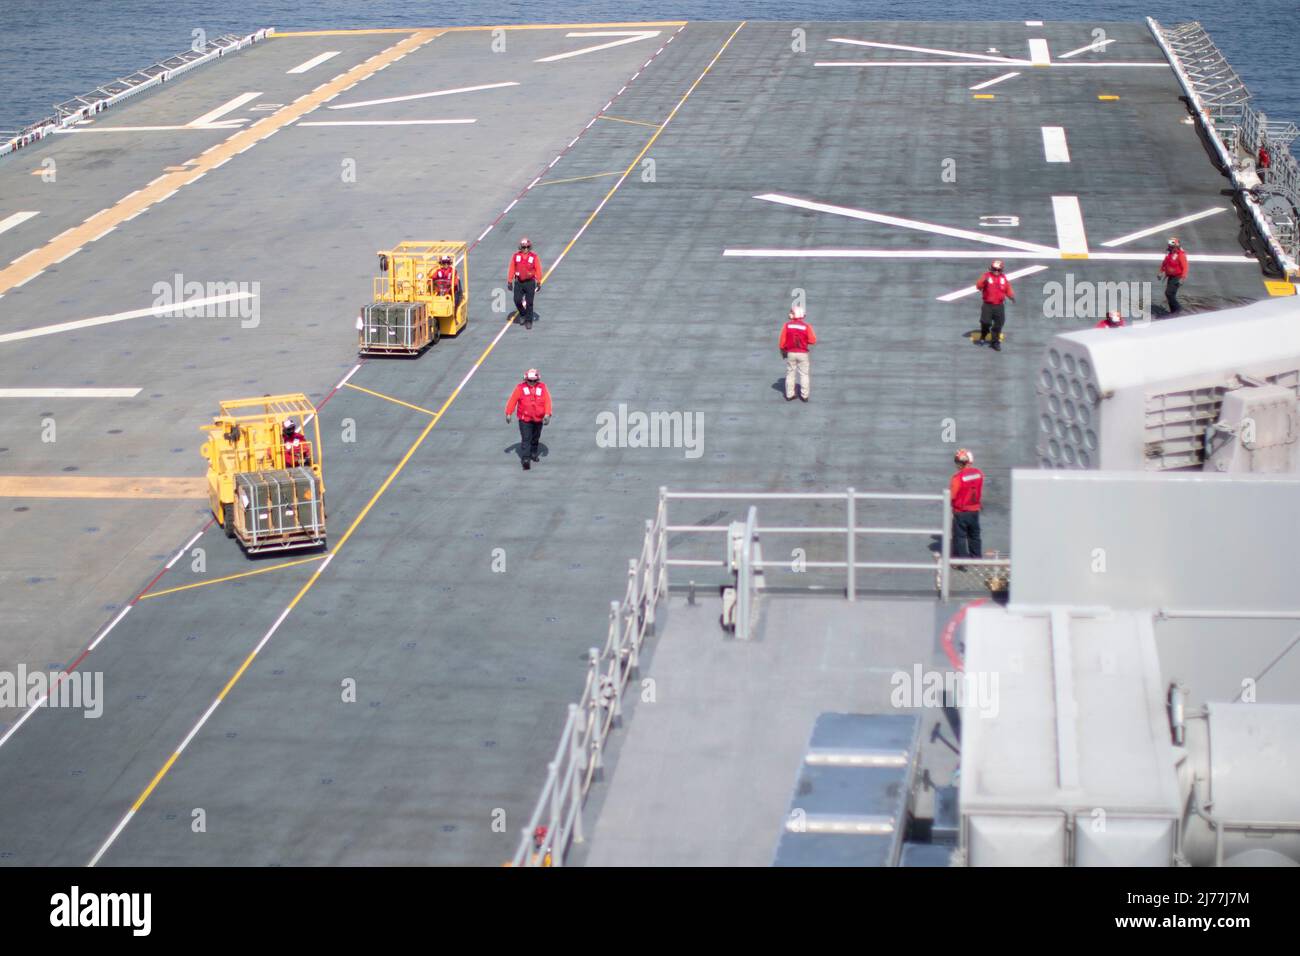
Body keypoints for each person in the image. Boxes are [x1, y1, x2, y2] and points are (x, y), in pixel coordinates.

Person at [505, 368, 552, 470]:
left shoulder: (542, 387)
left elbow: (547, 401)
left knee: (535, 437)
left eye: (534, 381)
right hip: (524, 419)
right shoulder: (520, 388)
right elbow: (513, 400)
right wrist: (508, 413)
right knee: (526, 438)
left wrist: (547, 414)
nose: (532, 383)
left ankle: (534, 453)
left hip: (538, 419)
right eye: (530, 380)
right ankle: (526, 458)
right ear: (526, 379)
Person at [949, 448, 983, 560]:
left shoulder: (957, 478)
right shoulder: (979, 474)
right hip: (974, 511)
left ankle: (961, 561)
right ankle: (977, 558)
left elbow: (952, 495)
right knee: (974, 535)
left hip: (960, 512)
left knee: (960, 537)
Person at [778, 305, 817, 402]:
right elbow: (813, 340)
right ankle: (804, 396)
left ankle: (790, 395)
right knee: (804, 374)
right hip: (803, 353)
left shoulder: (787, 326)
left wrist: (783, 350)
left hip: (791, 353)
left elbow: (782, 343)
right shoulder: (806, 327)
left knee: (790, 374)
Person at [975, 260, 1015, 351]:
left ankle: (995, 342)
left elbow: (1007, 288)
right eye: (994, 269)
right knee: (985, 322)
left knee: (999, 324)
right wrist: (983, 282)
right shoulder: (986, 276)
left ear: (1001, 270)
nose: (996, 271)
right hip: (987, 305)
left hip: (999, 305)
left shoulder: (1003, 278)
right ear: (991, 269)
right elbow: (978, 286)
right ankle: (983, 334)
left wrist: (1011, 296)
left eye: (998, 270)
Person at [507, 237, 542, 330]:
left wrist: (539, 282)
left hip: (530, 283)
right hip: (519, 282)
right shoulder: (516, 256)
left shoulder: (534, 257)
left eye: (527, 247)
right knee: (517, 300)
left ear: (529, 247)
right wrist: (510, 281)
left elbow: (538, 269)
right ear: (520, 248)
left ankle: (529, 320)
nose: (525, 249)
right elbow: (512, 268)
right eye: (523, 247)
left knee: (530, 302)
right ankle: (522, 313)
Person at [1157, 237, 1188, 314]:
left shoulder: (1180, 255)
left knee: (1169, 293)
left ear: (1176, 246)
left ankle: (1178, 309)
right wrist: (1161, 271)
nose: (1169, 247)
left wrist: (1183, 278)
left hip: (1177, 277)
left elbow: (1185, 267)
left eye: (1171, 246)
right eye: (1169, 246)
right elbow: (1165, 262)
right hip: (1170, 276)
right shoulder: (1169, 253)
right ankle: (1173, 312)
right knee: (1171, 295)